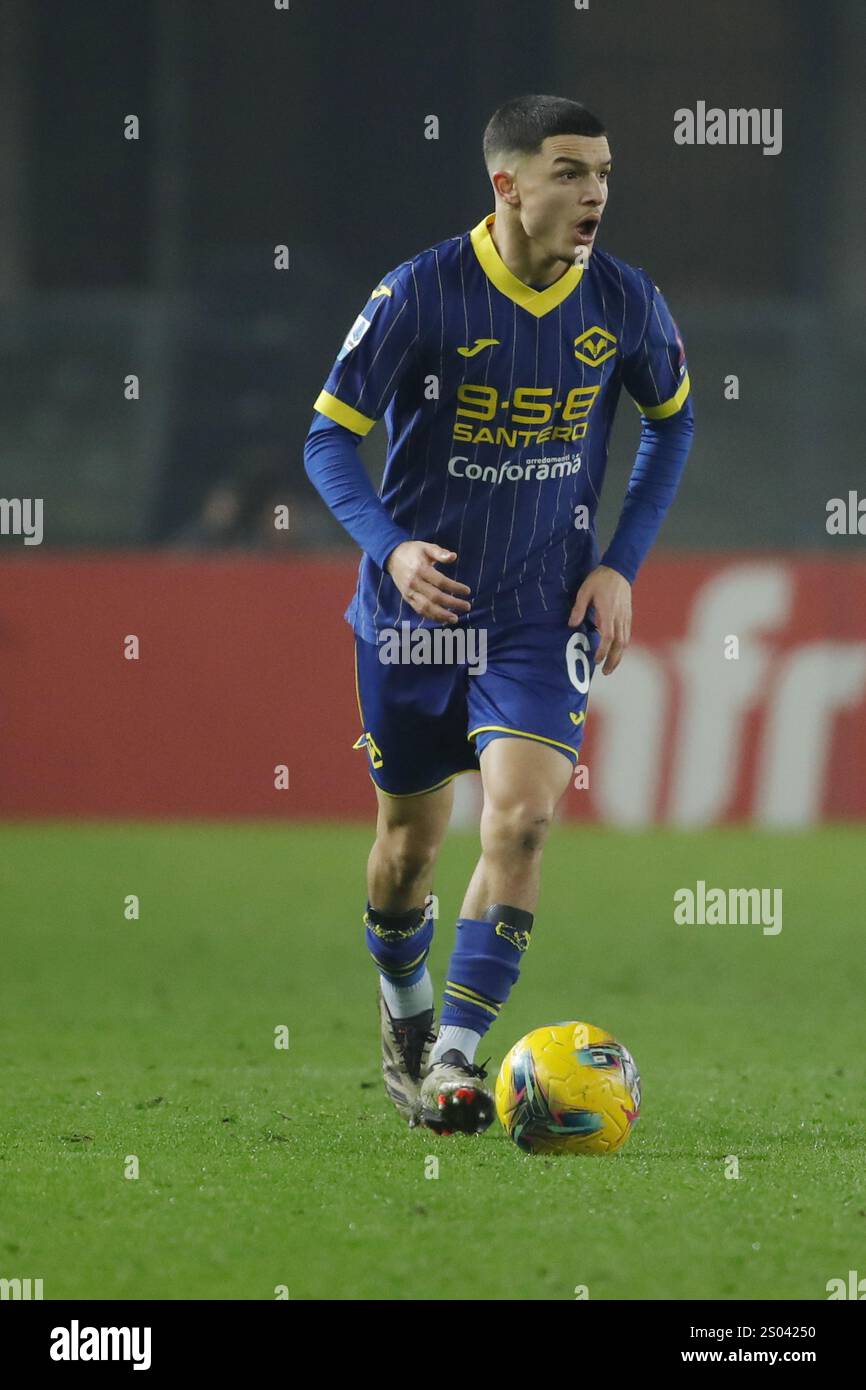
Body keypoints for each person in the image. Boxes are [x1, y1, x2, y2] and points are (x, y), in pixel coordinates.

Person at [303, 93, 694, 1135]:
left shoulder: (623, 301)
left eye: (603, 171)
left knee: (520, 818)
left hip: (539, 609)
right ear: (506, 184)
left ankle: (456, 1059)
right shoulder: (419, 294)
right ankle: (404, 1013)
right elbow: (326, 443)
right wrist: (391, 546)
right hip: (417, 610)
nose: (594, 192)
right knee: (408, 844)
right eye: (569, 171)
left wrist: (617, 564)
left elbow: (672, 422)